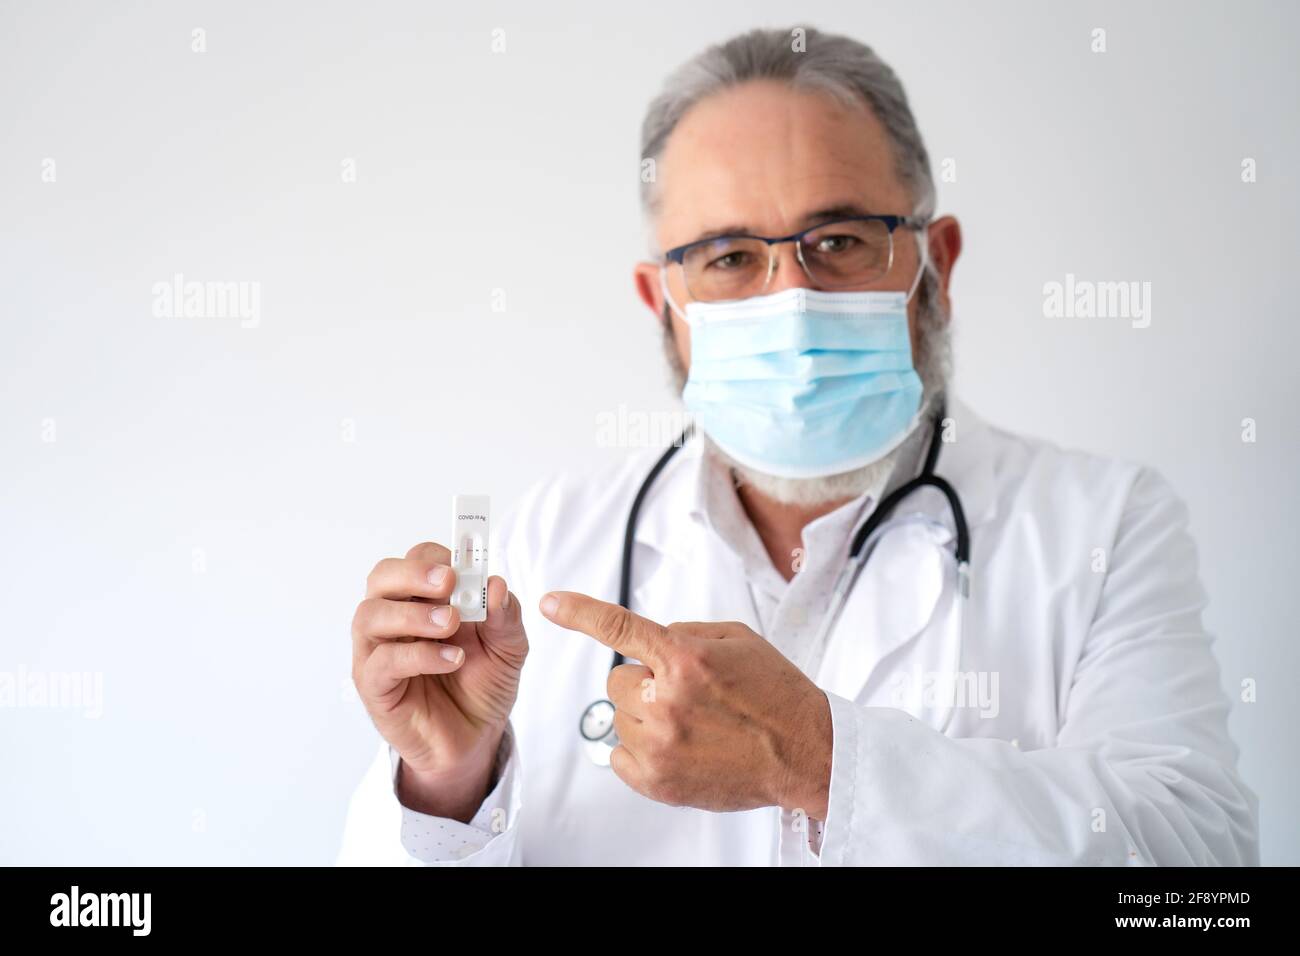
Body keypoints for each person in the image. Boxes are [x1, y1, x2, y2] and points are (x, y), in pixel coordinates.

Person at [337, 26, 1258, 866]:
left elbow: (1197, 881)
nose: (792, 298)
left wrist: (822, 761)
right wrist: (447, 788)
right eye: (731, 256)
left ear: (936, 261)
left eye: (841, 240)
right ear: (663, 302)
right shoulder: (554, 541)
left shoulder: (1102, 525)